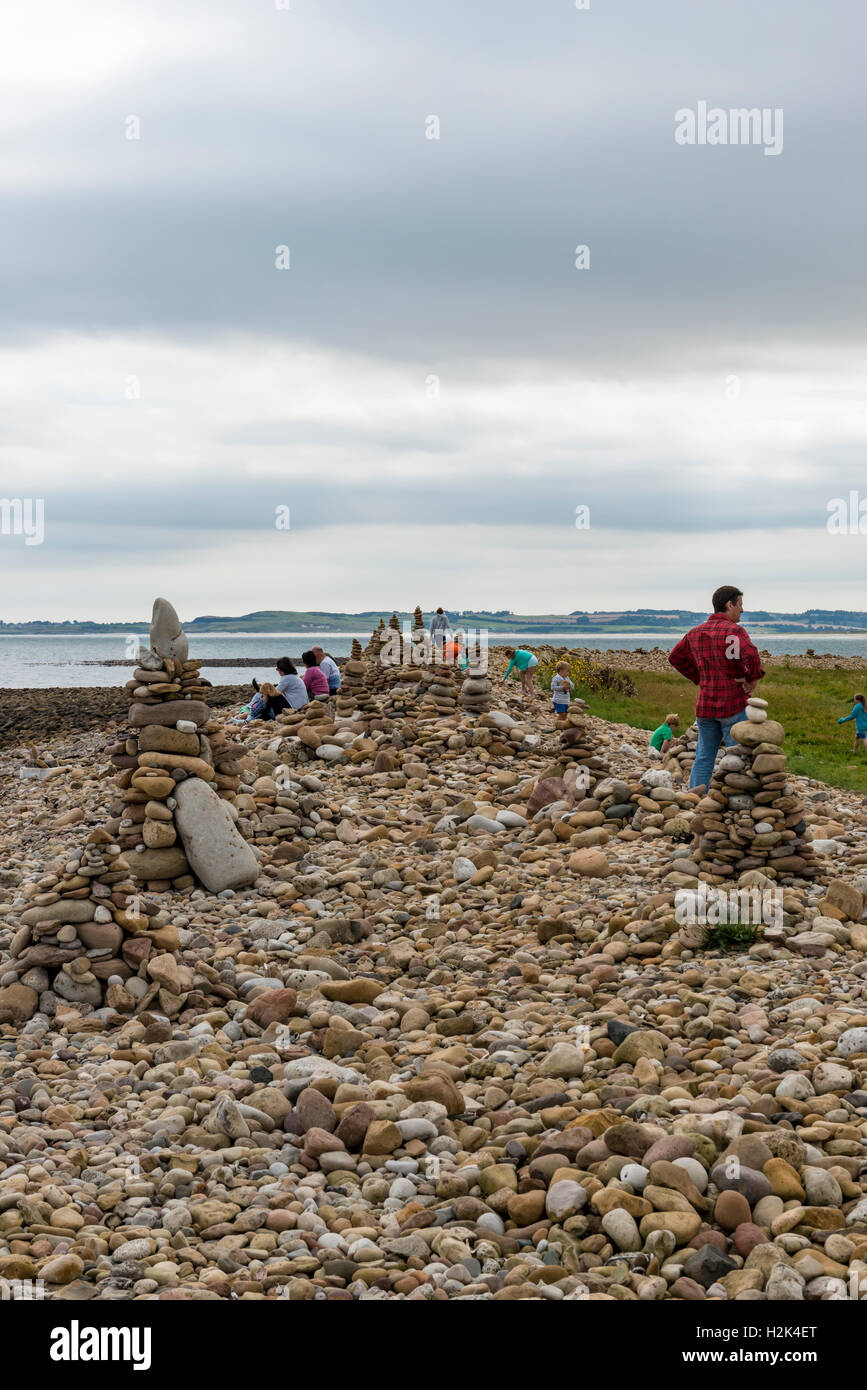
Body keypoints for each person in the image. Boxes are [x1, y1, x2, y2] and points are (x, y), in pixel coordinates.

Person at [668, 585, 764, 791]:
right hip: (733, 704)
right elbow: (751, 655)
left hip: (705, 706)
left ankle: (695, 797)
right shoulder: (735, 631)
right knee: (738, 756)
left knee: (704, 757)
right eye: (740, 604)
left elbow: (675, 657)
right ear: (729, 604)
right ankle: (734, 798)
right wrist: (752, 679)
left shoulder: (695, 632)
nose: (742, 610)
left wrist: (698, 677)